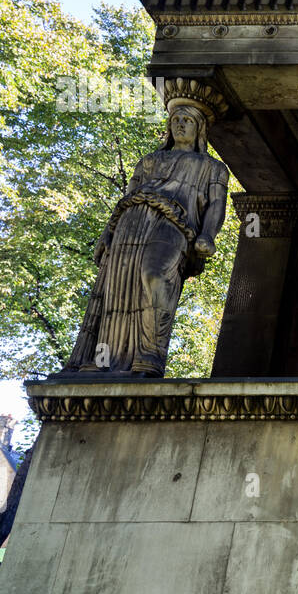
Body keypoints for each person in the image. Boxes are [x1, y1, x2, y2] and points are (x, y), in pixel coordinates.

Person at [59, 80, 229, 378]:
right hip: (131, 223)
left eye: (187, 120)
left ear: (199, 127)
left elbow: (216, 205)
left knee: (155, 274)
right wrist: (106, 234)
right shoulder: (149, 161)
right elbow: (125, 200)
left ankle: (150, 352)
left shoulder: (212, 168)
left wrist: (207, 235)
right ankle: (110, 362)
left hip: (176, 224)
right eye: (175, 120)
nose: (180, 125)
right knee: (118, 290)